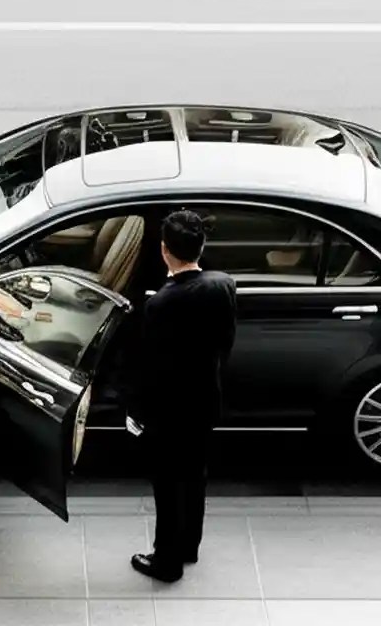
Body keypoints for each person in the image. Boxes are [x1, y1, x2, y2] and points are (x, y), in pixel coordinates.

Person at [125, 209, 237, 583]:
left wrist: (137, 411)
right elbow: (223, 344)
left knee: (167, 486)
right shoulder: (223, 285)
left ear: (163, 251)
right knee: (194, 478)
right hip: (206, 400)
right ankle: (189, 545)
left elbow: (153, 365)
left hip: (170, 412)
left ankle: (166, 562)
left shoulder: (162, 304)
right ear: (201, 246)